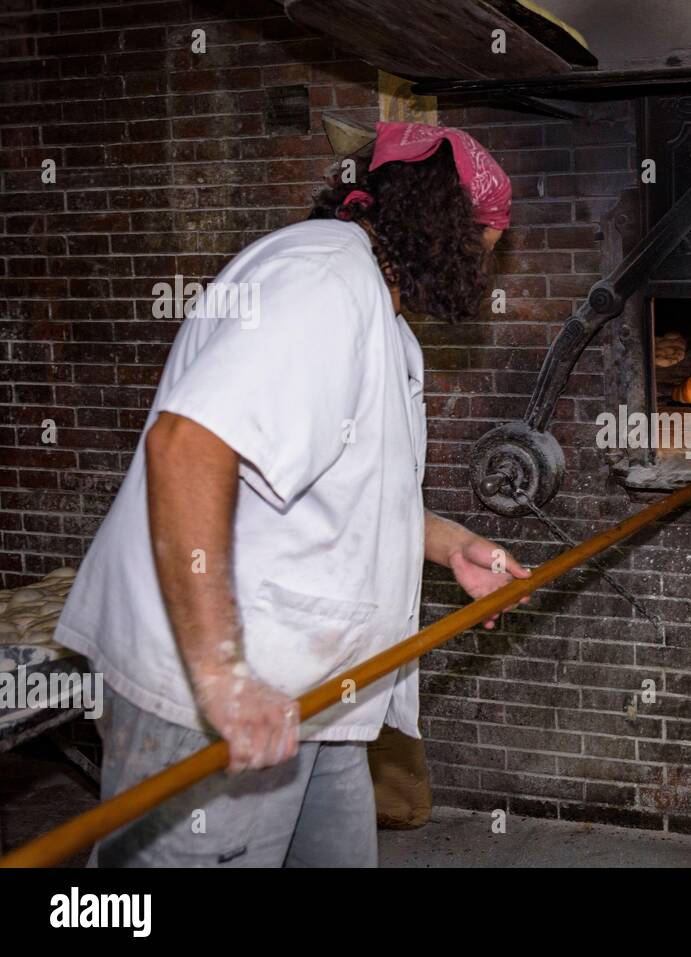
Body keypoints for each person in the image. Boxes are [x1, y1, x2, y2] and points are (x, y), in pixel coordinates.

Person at [54, 122, 528, 867]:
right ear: (444, 225)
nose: (486, 270)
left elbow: (342, 491)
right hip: (219, 692)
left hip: (317, 687)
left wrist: (448, 545)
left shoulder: (379, 310)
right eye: (486, 244)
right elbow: (188, 446)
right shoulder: (320, 286)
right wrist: (223, 676)